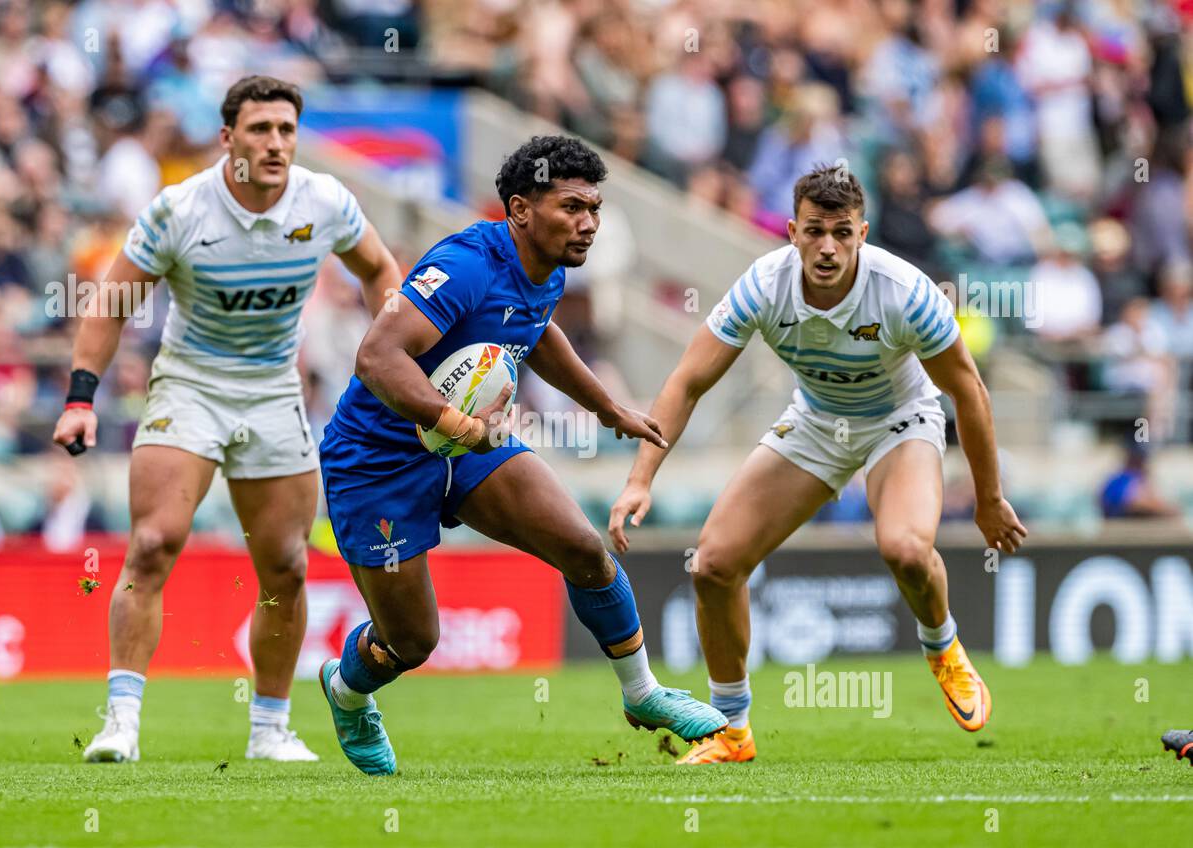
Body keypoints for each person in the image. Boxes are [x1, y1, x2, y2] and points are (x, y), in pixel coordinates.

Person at [317, 135, 726, 775]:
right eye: (571, 207)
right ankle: (345, 693)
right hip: (379, 459)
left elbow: (537, 332)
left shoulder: (548, 269)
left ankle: (643, 694)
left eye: (594, 207)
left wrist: (605, 408)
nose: (588, 222)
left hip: (469, 446)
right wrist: (455, 420)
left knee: (584, 549)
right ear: (520, 209)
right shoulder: (467, 265)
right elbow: (376, 357)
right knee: (413, 641)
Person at [610, 165, 1027, 765]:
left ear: (862, 232)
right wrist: (638, 480)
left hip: (900, 421)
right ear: (791, 232)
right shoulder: (764, 285)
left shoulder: (904, 291)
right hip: (813, 424)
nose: (826, 247)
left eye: (840, 233)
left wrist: (988, 499)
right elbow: (688, 381)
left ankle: (942, 645)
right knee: (714, 566)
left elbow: (970, 393)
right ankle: (731, 729)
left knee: (907, 550)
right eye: (813, 232)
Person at [52, 75, 403, 764]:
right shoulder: (180, 209)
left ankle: (269, 731)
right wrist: (79, 398)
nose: (276, 143)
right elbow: (110, 302)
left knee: (287, 567)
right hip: (191, 384)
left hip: (273, 391)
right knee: (154, 542)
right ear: (227, 138)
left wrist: (391, 350)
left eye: (286, 131)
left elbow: (381, 271)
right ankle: (120, 722)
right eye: (260, 130)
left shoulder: (324, 201)